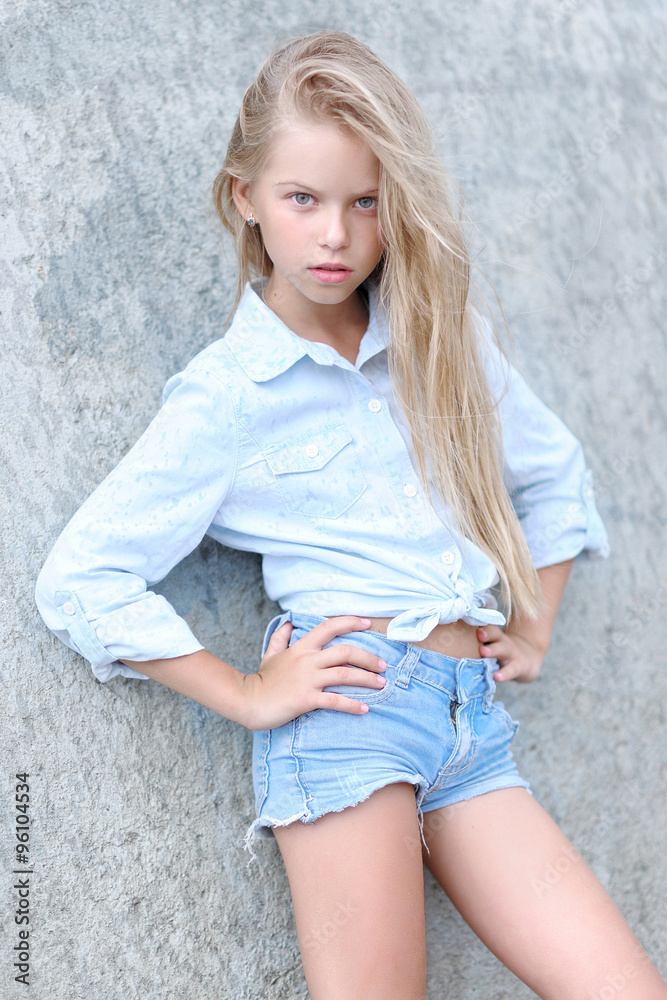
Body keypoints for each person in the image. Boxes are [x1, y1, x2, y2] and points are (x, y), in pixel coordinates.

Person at [35, 28, 666, 1000]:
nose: (335, 233)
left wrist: (532, 615)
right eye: (303, 199)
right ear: (244, 198)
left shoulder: (443, 343)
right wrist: (247, 692)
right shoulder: (229, 396)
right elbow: (82, 578)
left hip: (470, 724)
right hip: (349, 718)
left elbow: (555, 478)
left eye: (364, 201)